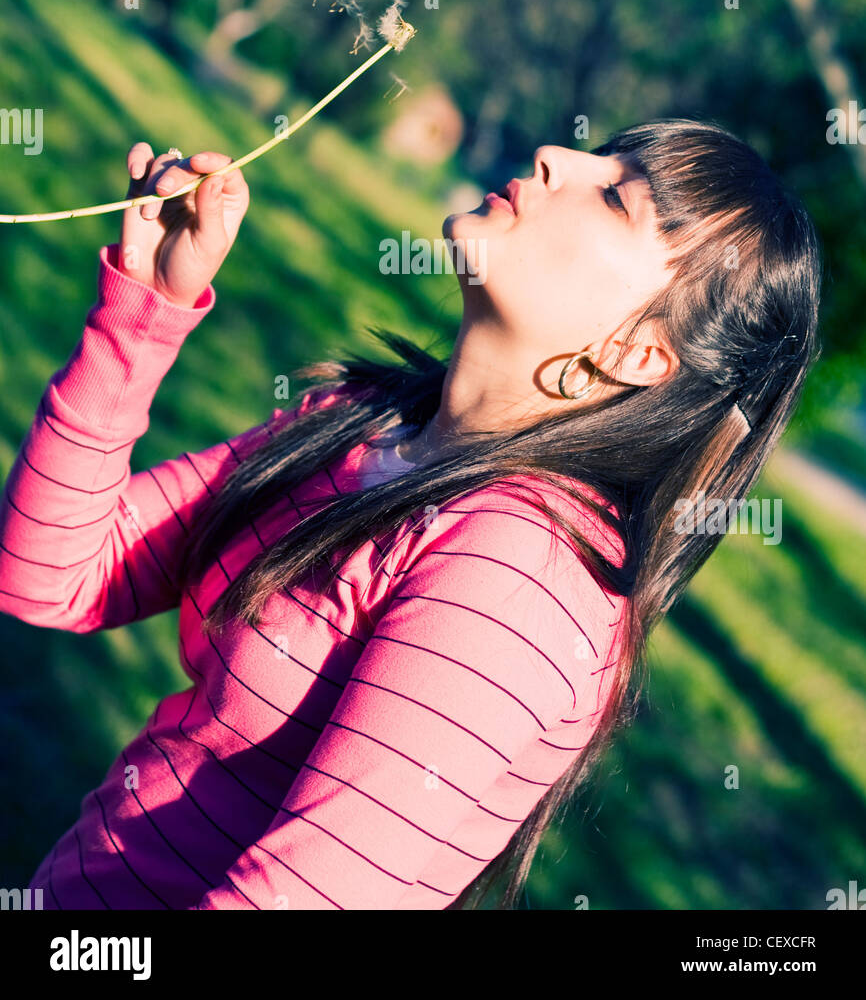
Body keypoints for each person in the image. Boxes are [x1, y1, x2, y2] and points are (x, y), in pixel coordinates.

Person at [0, 118, 821, 910]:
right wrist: (143, 309)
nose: (551, 157)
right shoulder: (366, 424)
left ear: (636, 354)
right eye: (597, 156)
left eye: (616, 196)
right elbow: (50, 574)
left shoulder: (522, 583)